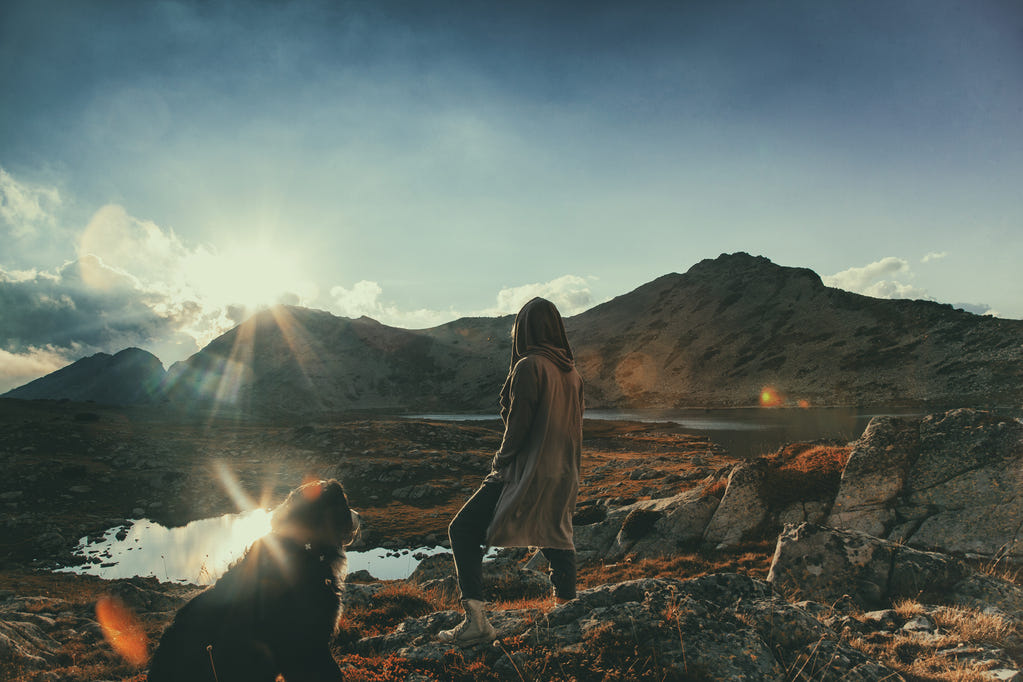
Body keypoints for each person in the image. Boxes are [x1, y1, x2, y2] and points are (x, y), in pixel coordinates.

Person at [437, 297, 584, 647]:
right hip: (562, 471)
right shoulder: (572, 372)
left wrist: (500, 463)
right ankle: (566, 608)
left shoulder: (530, 366)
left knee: (462, 529)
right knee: (555, 534)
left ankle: (476, 623)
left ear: (524, 330)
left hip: (527, 469)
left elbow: (517, 428)